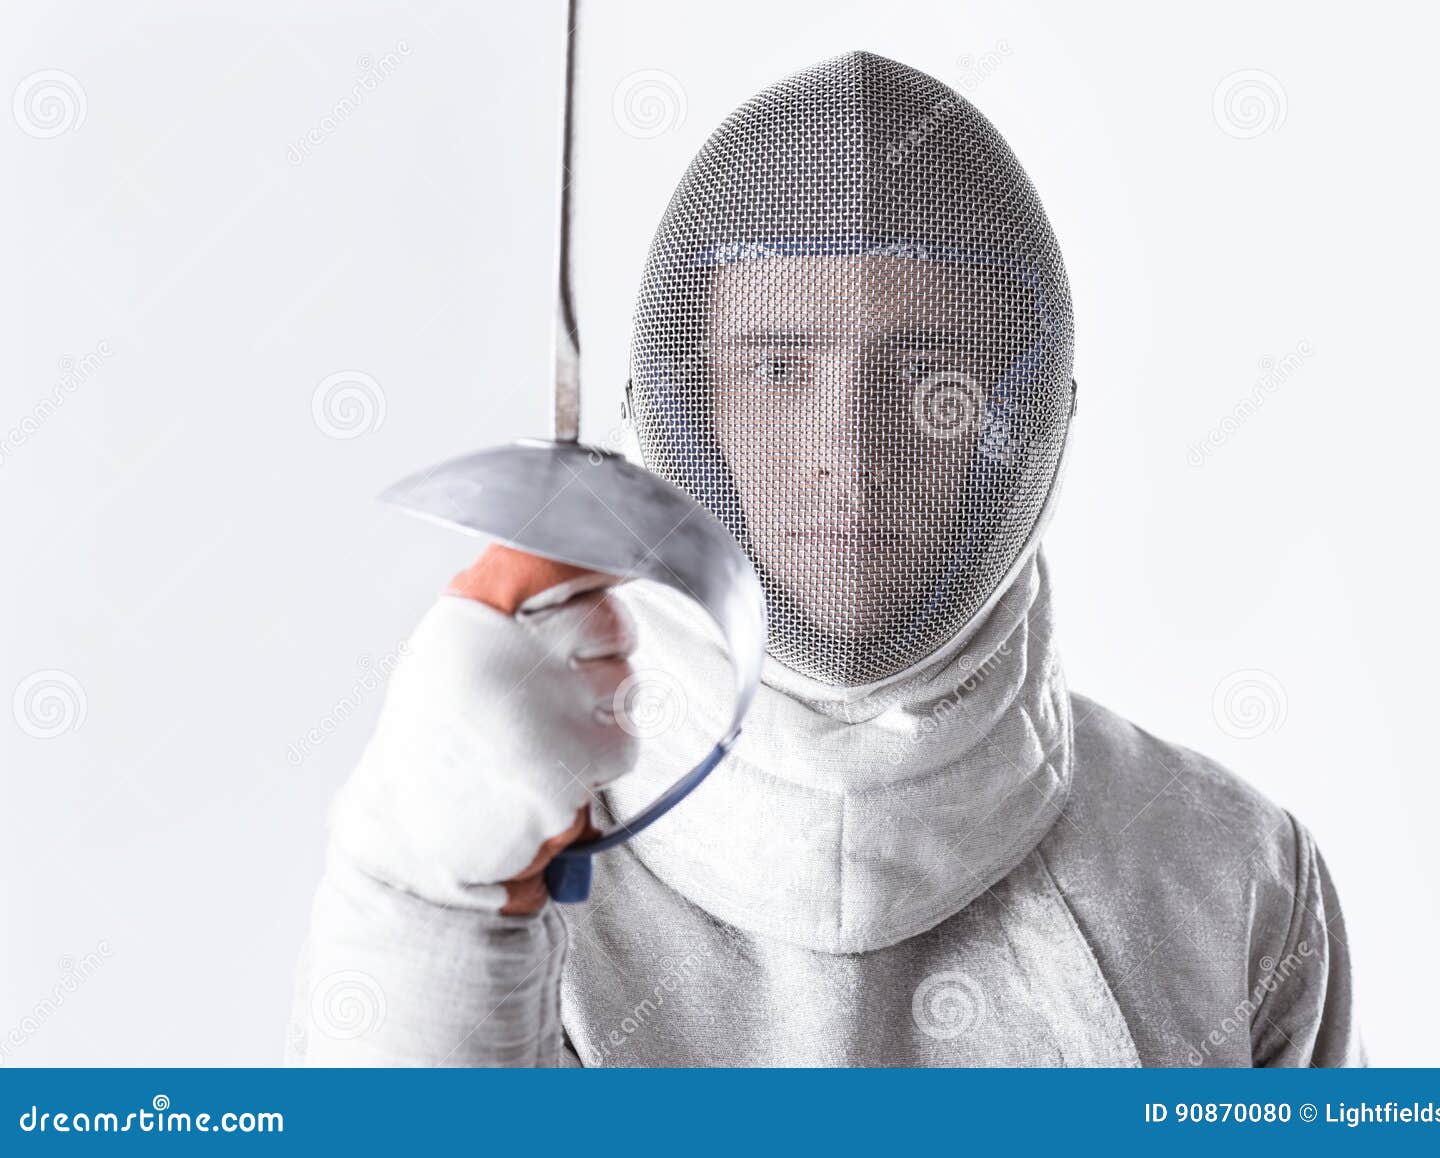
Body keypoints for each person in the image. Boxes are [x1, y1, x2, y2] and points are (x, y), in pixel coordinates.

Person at [289, 51, 1362, 1068]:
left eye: (927, 371)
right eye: (776, 370)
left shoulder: (1226, 877)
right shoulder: (512, 840)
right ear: (688, 410)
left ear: (1013, 420)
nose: (847, 456)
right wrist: (428, 897)